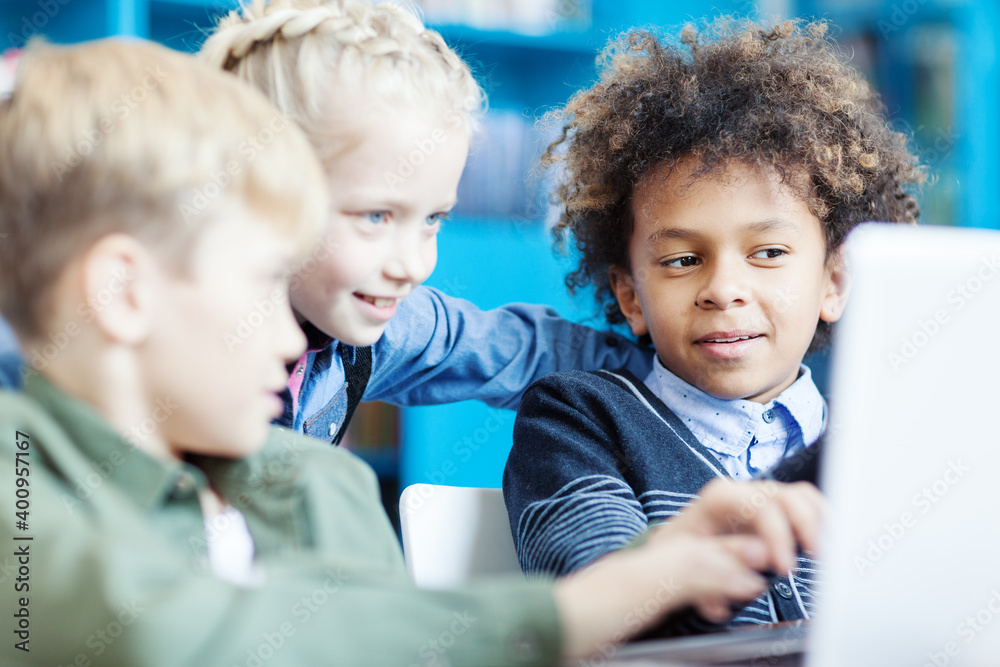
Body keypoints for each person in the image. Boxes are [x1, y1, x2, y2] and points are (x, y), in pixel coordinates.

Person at [0, 37, 824, 666]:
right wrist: (601, 599)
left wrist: (681, 378)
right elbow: (176, 630)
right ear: (123, 288)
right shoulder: (21, 482)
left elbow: (507, 347)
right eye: (261, 285)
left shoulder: (316, 479)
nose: (292, 339)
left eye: (431, 219)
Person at [503, 17, 925, 634]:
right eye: (682, 260)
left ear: (834, 281)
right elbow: (606, 608)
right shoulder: (576, 422)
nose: (724, 289)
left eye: (769, 253)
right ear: (631, 296)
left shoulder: (888, 448)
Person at [197, 0, 653, 446]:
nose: (412, 266)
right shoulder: (176, 348)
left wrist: (681, 376)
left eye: (432, 219)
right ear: (260, 193)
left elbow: (519, 350)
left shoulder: (376, 331)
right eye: (376, 216)